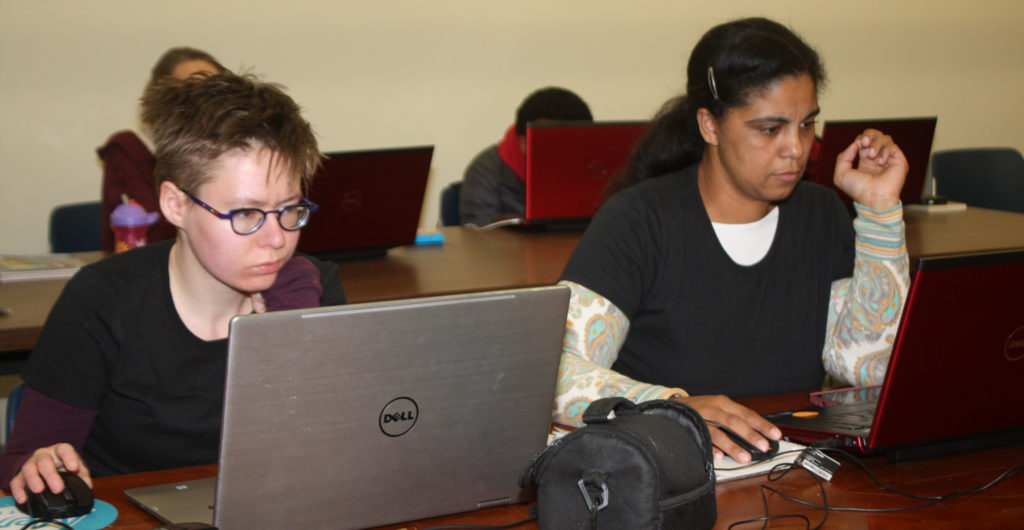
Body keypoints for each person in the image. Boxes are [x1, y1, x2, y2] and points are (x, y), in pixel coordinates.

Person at [554, 18, 910, 464]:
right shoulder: (638, 221)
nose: (796, 148)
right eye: (770, 129)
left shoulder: (822, 214)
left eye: (806, 125)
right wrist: (672, 408)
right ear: (710, 125)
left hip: (786, 470)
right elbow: (555, 372)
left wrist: (879, 212)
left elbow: (868, 369)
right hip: (669, 476)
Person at [2, 71, 346, 503]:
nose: (277, 239)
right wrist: (37, 464)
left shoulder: (307, 290)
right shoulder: (103, 298)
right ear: (175, 204)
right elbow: (24, 463)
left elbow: (325, 453)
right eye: (245, 214)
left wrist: (284, 328)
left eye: (289, 209)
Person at [98, 47, 226, 251]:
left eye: (214, 91)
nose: (203, 102)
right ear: (161, 101)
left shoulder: (236, 151)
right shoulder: (128, 148)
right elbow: (152, 233)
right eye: (189, 92)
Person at [459, 87, 593, 226]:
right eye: (554, 143)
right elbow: (476, 232)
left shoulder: (594, 167)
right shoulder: (487, 170)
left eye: (573, 142)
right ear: (524, 142)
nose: (566, 154)